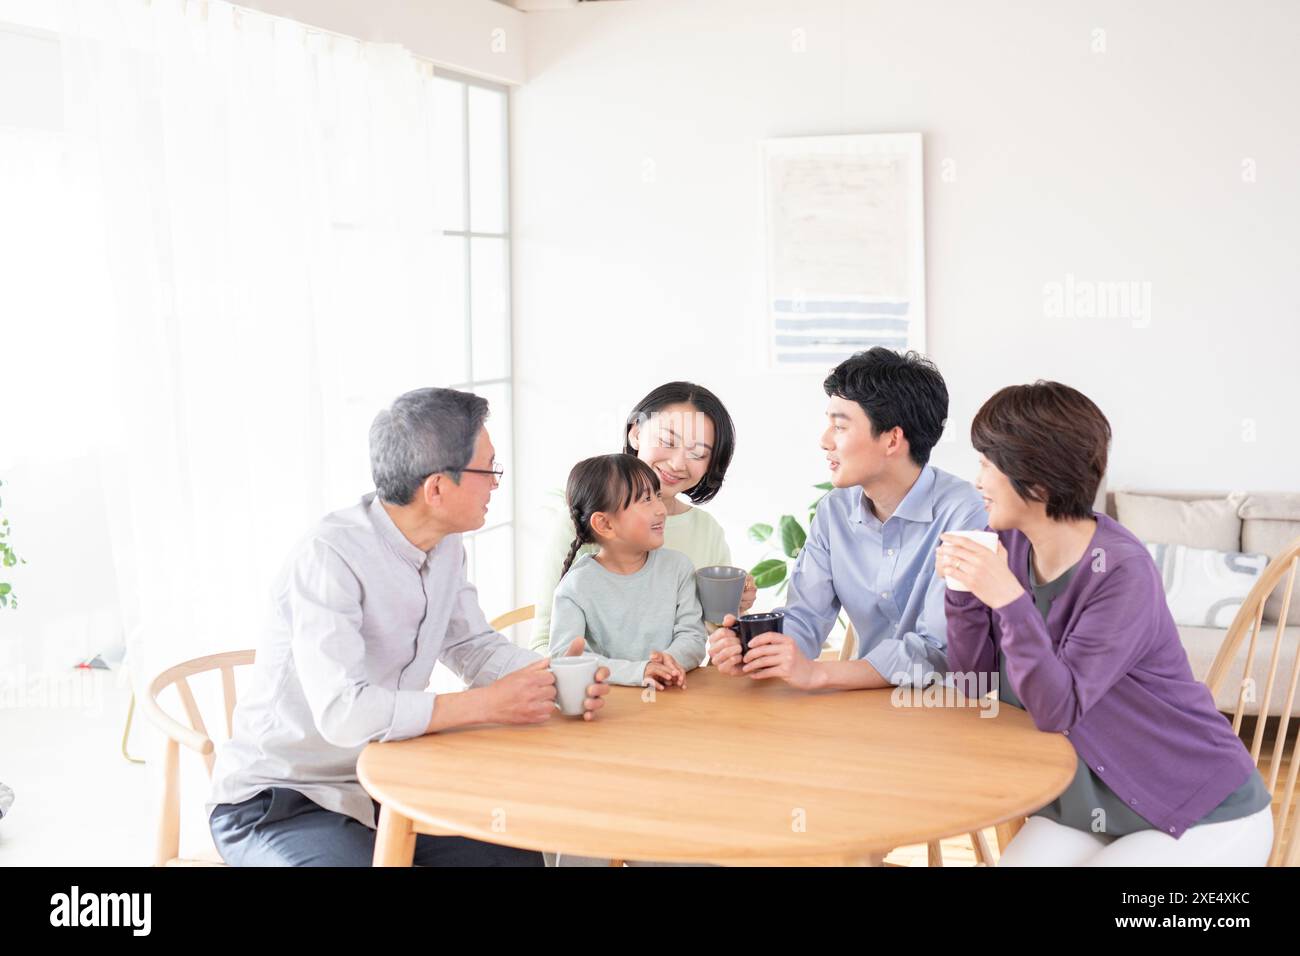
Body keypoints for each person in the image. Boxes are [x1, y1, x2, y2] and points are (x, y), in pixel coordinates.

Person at [206, 387, 610, 867]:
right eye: (489, 469)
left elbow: (472, 646)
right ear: (437, 488)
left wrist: (554, 674)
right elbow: (343, 713)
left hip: (384, 781)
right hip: (281, 799)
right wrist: (484, 705)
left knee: (514, 856)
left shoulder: (446, 547)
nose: (497, 484)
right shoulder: (329, 557)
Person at [937, 381, 1273, 865]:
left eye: (988, 463)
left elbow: (1058, 709)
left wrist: (1009, 600)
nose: (978, 479)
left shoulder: (1120, 570)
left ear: (1037, 480)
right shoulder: (1004, 545)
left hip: (1200, 809)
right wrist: (962, 590)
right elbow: (973, 682)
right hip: (1084, 807)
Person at [708, 348, 986, 690]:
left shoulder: (966, 513)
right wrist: (754, 647)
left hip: (952, 711)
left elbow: (936, 653)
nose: (824, 441)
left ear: (892, 439)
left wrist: (818, 673)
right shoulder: (834, 512)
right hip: (867, 705)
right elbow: (806, 618)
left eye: (839, 426)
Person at [531, 382, 754, 653]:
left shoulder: (706, 530)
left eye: (697, 453)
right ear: (636, 433)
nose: (677, 463)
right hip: (596, 690)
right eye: (668, 441)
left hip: (675, 687)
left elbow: (712, 639)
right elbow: (545, 643)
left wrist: (732, 612)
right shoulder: (589, 519)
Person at [549, 454, 708, 690]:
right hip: (608, 706)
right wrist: (639, 671)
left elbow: (693, 637)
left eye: (657, 496)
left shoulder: (678, 569)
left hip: (671, 699)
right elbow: (566, 658)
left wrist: (669, 662)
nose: (661, 509)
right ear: (605, 524)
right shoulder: (576, 586)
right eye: (646, 500)